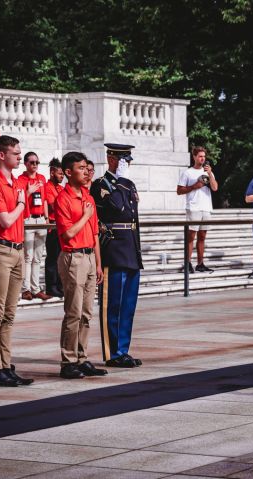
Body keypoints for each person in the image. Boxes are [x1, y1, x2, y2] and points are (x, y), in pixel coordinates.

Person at [0, 135, 33, 387]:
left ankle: (5, 364)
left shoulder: (15, 184)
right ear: (1, 155)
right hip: (0, 249)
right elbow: (5, 221)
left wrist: (22, 199)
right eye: (15, 153)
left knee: (9, 313)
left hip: (16, 249)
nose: (19, 156)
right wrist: (22, 203)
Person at [90, 144, 143, 368]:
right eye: (122, 160)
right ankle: (112, 353)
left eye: (127, 161)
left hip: (130, 249)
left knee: (128, 306)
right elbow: (117, 208)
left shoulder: (127, 184)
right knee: (112, 305)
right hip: (113, 250)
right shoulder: (101, 185)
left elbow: (133, 219)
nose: (125, 164)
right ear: (110, 159)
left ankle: (123, 350)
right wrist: (121, 181)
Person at [55, 151, 107, 379]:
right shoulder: (63, 198)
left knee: (87, 313)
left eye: (87, 168)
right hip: (72, 257)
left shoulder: (88, 196)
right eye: (81, 168)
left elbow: (94, 233)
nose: (86, 172)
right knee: (73, 312)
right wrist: (85, 215)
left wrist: (98, 263)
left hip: (88, 256)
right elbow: (67, 234)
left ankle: (82, 357)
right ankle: (68, 360)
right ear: (68, 172)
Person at [177, 146, 218, 273]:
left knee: (202, 236)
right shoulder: (187, 172)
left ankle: (200, 263)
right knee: (191, 237)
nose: (202, 159)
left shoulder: (208, 172)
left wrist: (210, 173)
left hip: (206, 207)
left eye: (204, 156)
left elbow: (215, 188)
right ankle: (187, 263)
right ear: (194, 157)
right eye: (200, 156)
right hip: (193, 207)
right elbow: (179, 190)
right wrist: (194, 186)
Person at [20, 152, 51, 301]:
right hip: (28, 219)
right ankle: (26, 289)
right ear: (25, 163)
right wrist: (29, 191)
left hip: (40, 220)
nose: (35, 165)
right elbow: (18, 200)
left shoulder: (42, 178)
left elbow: (44, 200)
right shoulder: (21, 179)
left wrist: (46, 218)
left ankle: (36, 288)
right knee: (28, 256)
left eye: (37, 162)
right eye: (32, 162)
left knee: (38, 257)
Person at [43, 157, 65, 298]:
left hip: (62, 226)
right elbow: (53, 206)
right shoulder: (48, 187)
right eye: (59, 174)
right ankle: (51, 287)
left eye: (63, 174)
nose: (62, 176)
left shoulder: (61, 188)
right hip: (52, 227)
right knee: (52, 257)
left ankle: (59, 285)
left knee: (61, 257)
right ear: (52, 173)